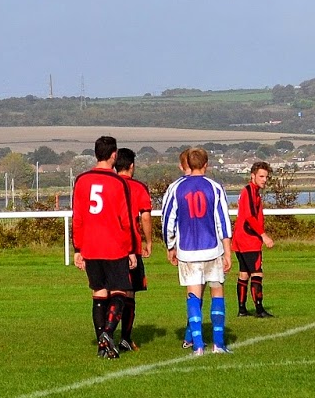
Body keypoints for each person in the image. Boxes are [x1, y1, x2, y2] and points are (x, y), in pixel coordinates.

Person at [162, 147, 234, 354]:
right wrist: (228, 252)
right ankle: (218, 344)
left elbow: (169, 219)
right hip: (213, 249)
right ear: (206, 164)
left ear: (186, 163)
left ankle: (198, 345)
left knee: (193, 295)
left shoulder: (176, 188)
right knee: (217, 291)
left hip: (188, 251)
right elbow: (223, 222)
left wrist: (170, 245)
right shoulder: (215, 187)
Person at [72, 135, 137, 360]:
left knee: (98, 293)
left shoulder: (81, 180)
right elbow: (126, 219)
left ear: (95, 154)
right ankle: (108, 333)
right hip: (114, 245)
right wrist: (131, 250)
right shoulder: (118, 182)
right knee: (119, 291)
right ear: (114, 155)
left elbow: (77, 217)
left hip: (90, 245)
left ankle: (102, 346)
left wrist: (77, 248)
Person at [114, 147, 153, 352]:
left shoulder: (108, 185)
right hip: (130, 246)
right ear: (131, 165)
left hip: (108, 246)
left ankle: (106, 334)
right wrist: (148, 242)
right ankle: (125, 338)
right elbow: (145, 216)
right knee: (129, 294)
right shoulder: (138, 187)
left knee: (107, 292)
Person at [233, 161, 276, 318]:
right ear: (253, 176)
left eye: (266, 177)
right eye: (261, 176)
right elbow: (250, 217)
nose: (264, 180)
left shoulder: (251, 191)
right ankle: (259, 309)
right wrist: (264, 236)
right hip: (248, 239)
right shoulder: (250, 191)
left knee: (244, 273)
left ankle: (242, 309)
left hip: (239, 239)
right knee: (257, 273)